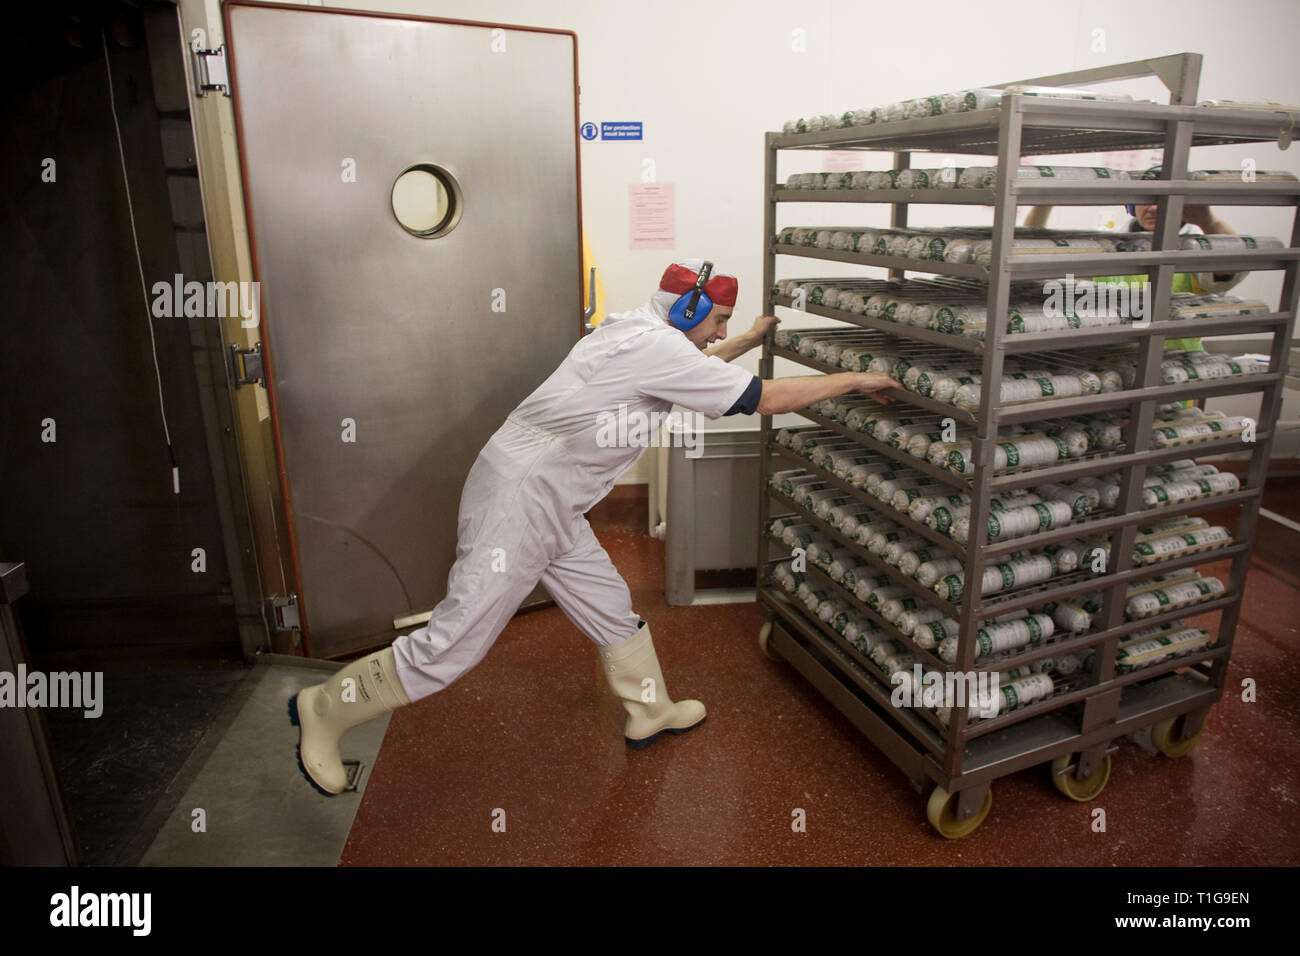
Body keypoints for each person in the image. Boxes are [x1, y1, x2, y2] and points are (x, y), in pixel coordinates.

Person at [290, 258, 901, 794]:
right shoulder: (658, 348)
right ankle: (325, 708)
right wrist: (853, 380)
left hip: (548, 496)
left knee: (609, 606)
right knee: (455, 642)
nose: (718, 332)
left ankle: (650, 710)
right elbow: (760, 399)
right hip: (523, 501)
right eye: (717, 320)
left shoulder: (636, 330)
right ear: (688, 309)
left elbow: (696, 368)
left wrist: (744, 338)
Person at [1025, 192, 1246, 352]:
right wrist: (1042, 205)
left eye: (1162, 201)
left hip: (1174, 374)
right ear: (1131, 205)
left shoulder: (1196, 249)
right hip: (1118, 368)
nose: (1153, 208)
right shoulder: (1110, 248)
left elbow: (1235, 265)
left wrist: (1209, 222)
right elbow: (1030, 253)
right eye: (1147, 200)